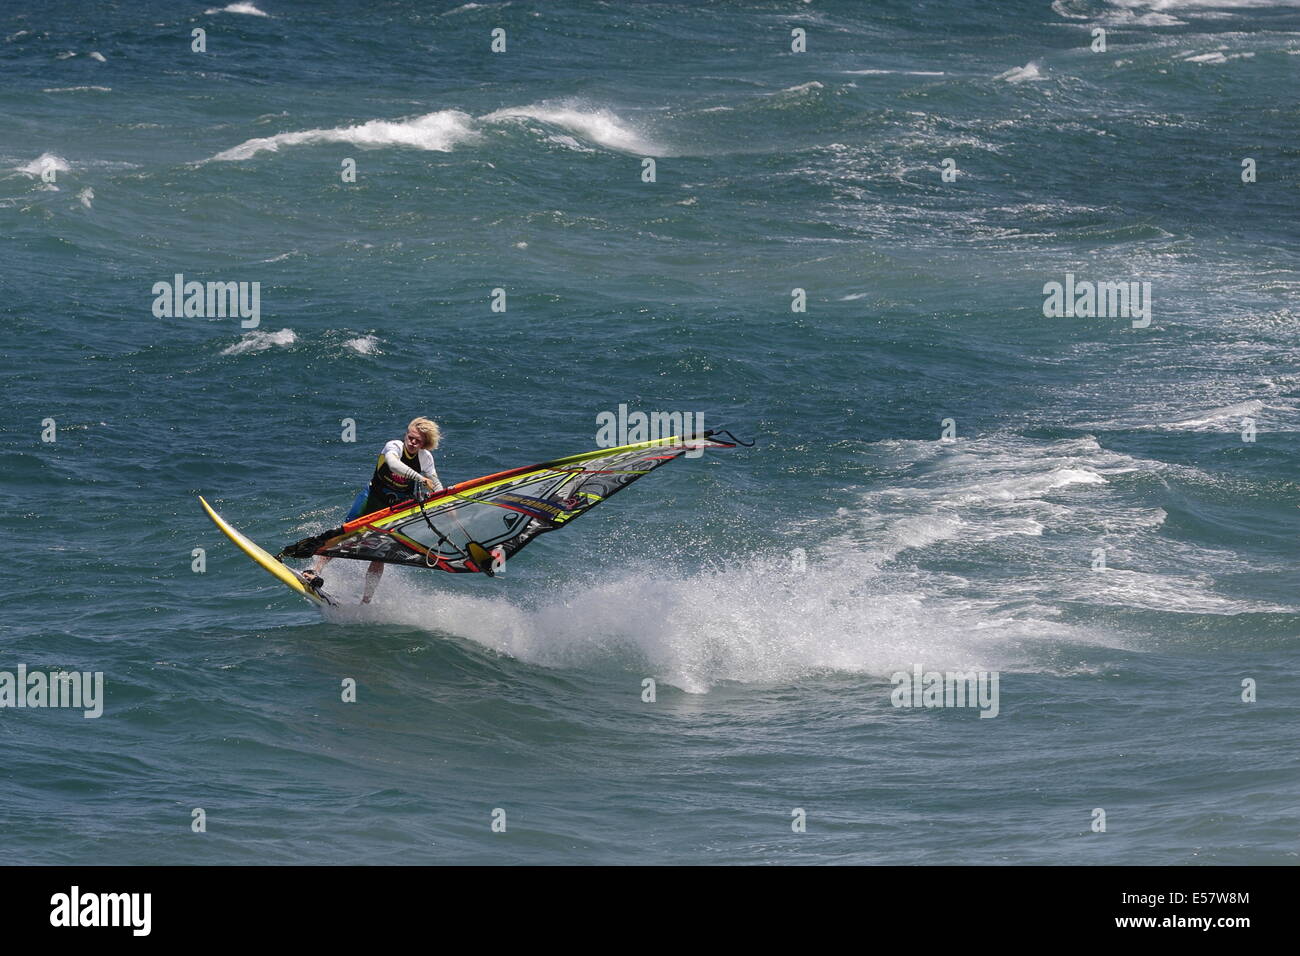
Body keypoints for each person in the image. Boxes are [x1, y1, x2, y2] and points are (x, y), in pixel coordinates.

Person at [303, 417, 444, 604]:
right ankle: (314, 572)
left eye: (417, 441)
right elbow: (394, 465)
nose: (412, 442)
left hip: (394, 508)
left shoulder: (425, 458)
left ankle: (366, 601)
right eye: (410, 437)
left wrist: (445, 502)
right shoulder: (394, 446)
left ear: (424, 444)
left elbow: (435, 483)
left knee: (380, 553)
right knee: (342, 533)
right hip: (371, 499)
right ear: (406, 435)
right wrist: (419, 478)